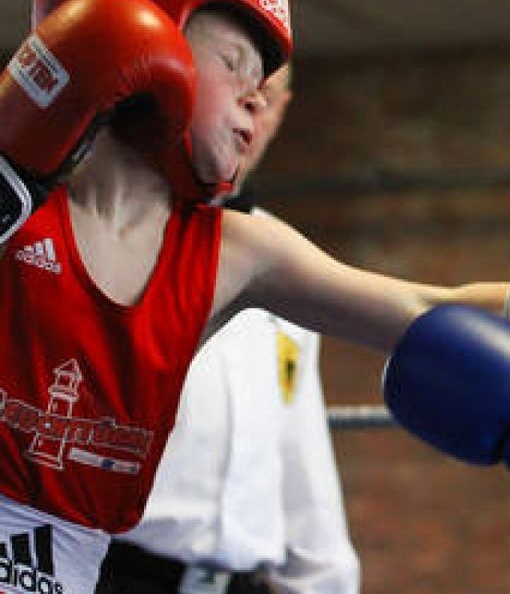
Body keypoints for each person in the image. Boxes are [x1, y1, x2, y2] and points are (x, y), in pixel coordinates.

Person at [0, 0, 510, 592]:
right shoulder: (20, 199)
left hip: (68, 567)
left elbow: (415, 308)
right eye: (233, 63)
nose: (257, 101)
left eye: (267, 84)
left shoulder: (232, 249)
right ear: (138, 44)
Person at [93, 64, 361, 594]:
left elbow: (298, 449)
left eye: (267, 94)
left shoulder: (284, 251)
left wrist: (326, 580)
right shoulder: (107, 224)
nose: (252, 107)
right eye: (237, 85)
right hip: (110, 571)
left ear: (281, 109)